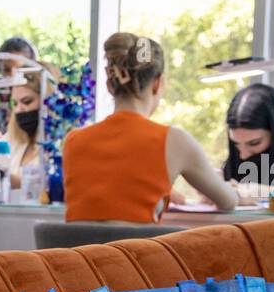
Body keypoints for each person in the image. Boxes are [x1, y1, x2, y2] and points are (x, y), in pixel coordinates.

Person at [63, 32, 240, 222]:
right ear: (157, 84)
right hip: (135, 252)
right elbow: (227, 201)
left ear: (110, 85)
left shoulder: (73, 140)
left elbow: (106, 197)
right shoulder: (174, 140)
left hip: (80, 252)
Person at [0, 65, 54, 198]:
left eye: (27, 101)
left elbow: (47, 193)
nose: (19, 110)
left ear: (49, 100)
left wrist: (1, 174)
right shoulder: (8, 141)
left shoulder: (59, 146)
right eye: (15, 103)